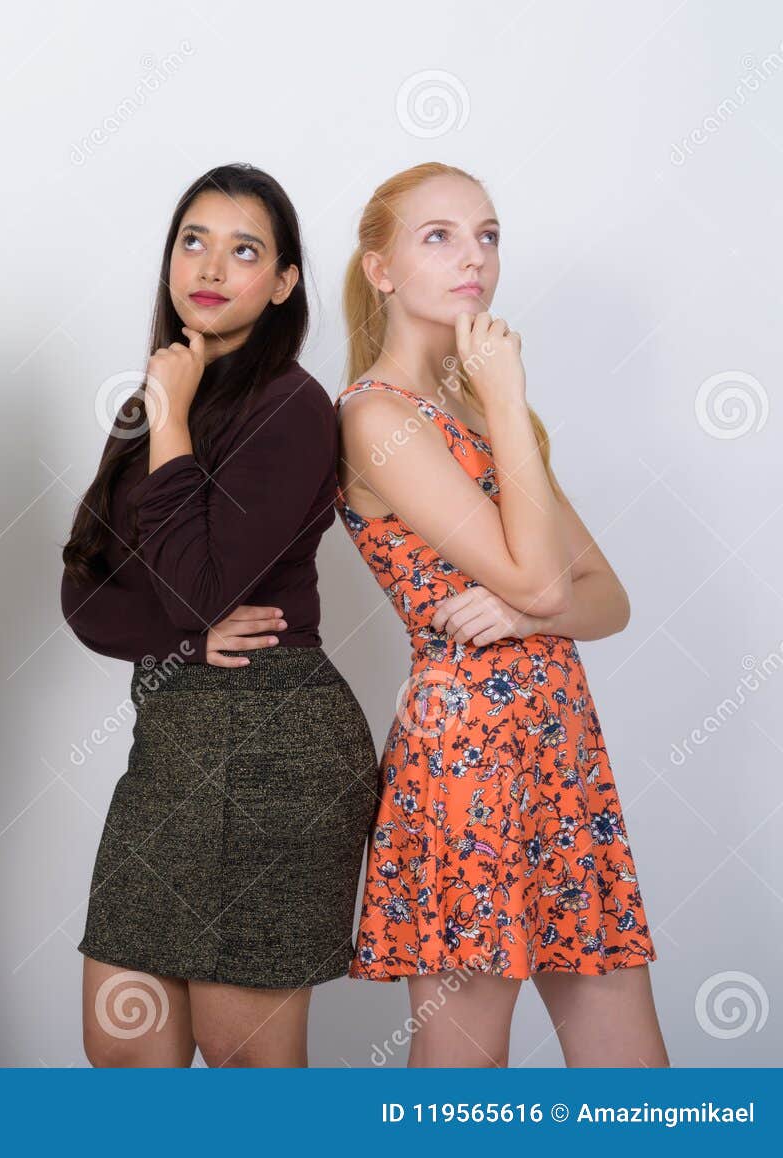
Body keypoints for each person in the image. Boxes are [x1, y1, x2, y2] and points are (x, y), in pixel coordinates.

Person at [334, 161, 667, 1066]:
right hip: (465, 753)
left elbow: (608, 597)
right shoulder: (376, 418)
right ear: (381, 269)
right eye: (438, 235)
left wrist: (525, 618)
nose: (473, 255)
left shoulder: (479, 413)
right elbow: (553, 581)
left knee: (629, 1074)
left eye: (487, 234)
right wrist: (510, 393)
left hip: (562, 747)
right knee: (465, 1086)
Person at [61, 164, 377, 1067]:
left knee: (248, 1072)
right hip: (171, 745)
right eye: (193, 240)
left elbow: (194, 583)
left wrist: (169, 416)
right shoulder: (158, 397)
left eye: (246, 251)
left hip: (276, 744)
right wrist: (187, 636)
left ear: (282, 286)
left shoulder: (292, 409)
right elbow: (85, 591)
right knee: (121, 1049)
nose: (211, 265)